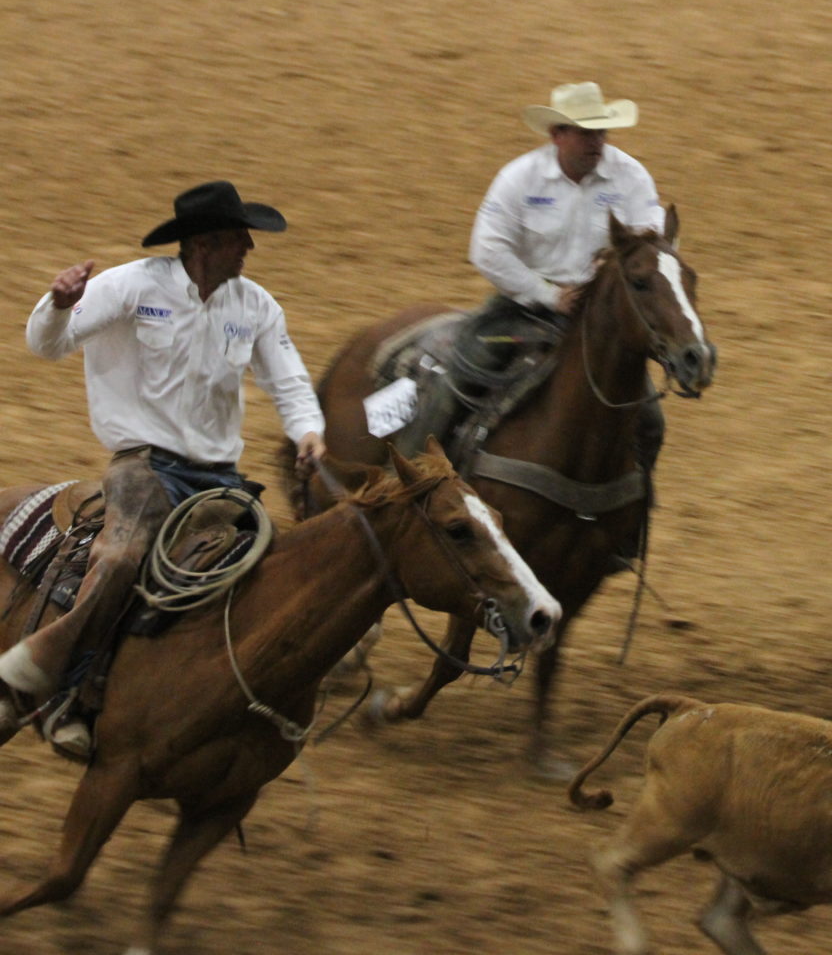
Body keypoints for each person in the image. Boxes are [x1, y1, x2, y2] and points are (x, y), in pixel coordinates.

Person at [0, 180, 327, 758]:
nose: (249, 247)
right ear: (204, 245)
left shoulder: (256, 306)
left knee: (276, 574)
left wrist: (309, 433)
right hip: (144, 466)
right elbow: (46, 344)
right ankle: (65, 688)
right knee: (120, 557)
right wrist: (58, 303)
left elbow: (290, 382)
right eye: (239, 237)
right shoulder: (131, 285)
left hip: (222, 478)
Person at [396, 80, 667, 466]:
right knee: (458, 376)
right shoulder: (520, 178)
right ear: (557, 134)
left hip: (600, 320)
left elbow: (651, 246)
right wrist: (550, 295)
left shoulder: (631, 177)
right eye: (586, 133)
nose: (597, 142)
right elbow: (487, 250)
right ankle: (411, 477)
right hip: (523, 313)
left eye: (601, 132)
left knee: (650, 422)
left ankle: (634, 497)